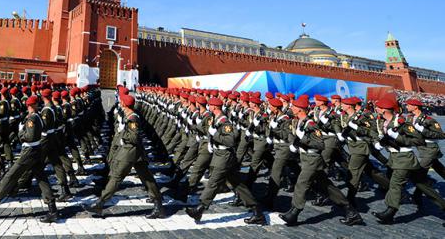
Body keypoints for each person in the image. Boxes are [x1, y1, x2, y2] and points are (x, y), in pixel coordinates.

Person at [279, 95, 363, 226]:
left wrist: (302, 139)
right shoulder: (299, 121)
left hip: (312, 159)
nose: (292, 108)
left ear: (300, 109)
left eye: (294, 106)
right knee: (327, 186)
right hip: (306, 158)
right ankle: (350, 211)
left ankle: (294, 212)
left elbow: (320, 145)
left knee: (302, 183)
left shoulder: (311, 124)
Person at [0, 94, 59, 223]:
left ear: (30, 105)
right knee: (41, 178)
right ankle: (52, 210)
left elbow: (29, 137)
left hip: (29, 151)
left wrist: (21, 132)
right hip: (35, 150)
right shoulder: (36, 116)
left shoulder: (33, 118)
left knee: (10, 176)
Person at [184, 94, 265, 225]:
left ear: (215, 107)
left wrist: (214, 134)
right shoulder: (216, 119)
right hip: (219, 155)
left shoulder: (224, 122)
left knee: (213, 182)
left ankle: (200, 209)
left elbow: (230, 140)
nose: (208, 107)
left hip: (224, 156)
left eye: (210, 105)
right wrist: (211, 141)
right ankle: (257, 211)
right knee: (238, 185)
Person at [85, 93, 164, 219]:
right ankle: (159, 205)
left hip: (130, 152)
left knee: (117, 177)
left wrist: (123, 134)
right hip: (134, 153)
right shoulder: (129, 116)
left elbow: (134, 137)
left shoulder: (133, 119)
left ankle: (100, 203)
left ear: (124, 104)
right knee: (147, 178)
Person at [370, 97, 445, 224]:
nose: (375, 109)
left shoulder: (402, 123)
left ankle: (390, 211)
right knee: (421, 185)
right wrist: (380, 143)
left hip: (405, 158)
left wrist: (398, 137)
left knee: (395, 183)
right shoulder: (384, 122)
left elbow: (419, 140)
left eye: (378, 107)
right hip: (395, 157)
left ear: (384, 110)